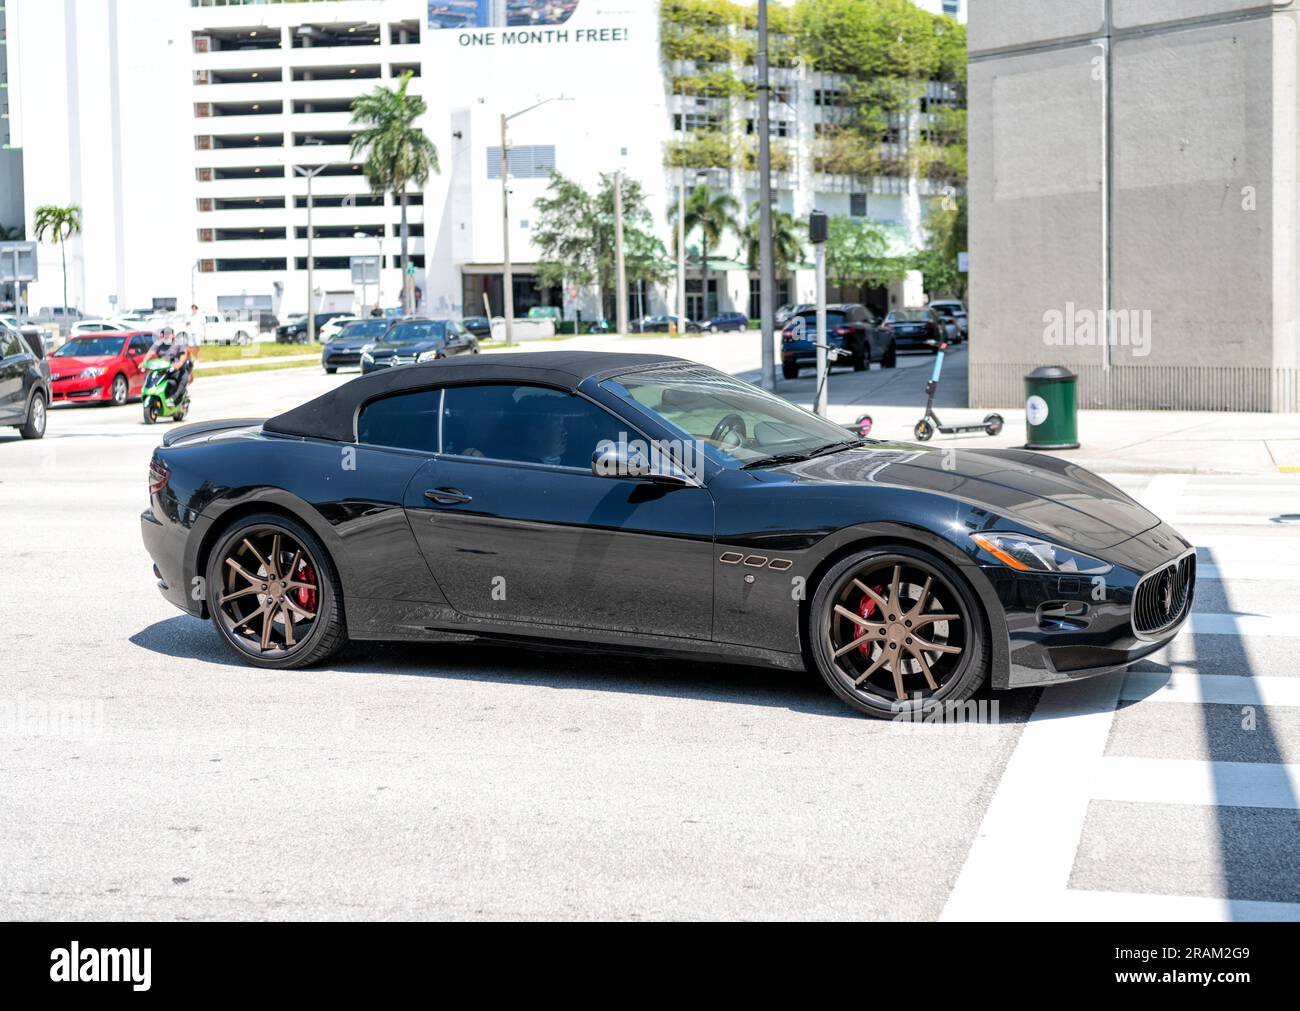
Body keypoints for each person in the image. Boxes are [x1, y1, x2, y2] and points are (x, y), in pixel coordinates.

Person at [146, 326, 194, 404]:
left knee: (183, 378)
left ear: (173, 335)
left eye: (169, 334)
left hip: (176, 369)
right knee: (152, 377)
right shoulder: (159, 343)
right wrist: (144, 361)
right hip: (162, 369)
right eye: (165, 334)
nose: (167, 336)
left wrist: (180, 363)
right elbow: (150, 352)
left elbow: (184, 354)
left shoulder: (179, 343)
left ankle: (174, 398)